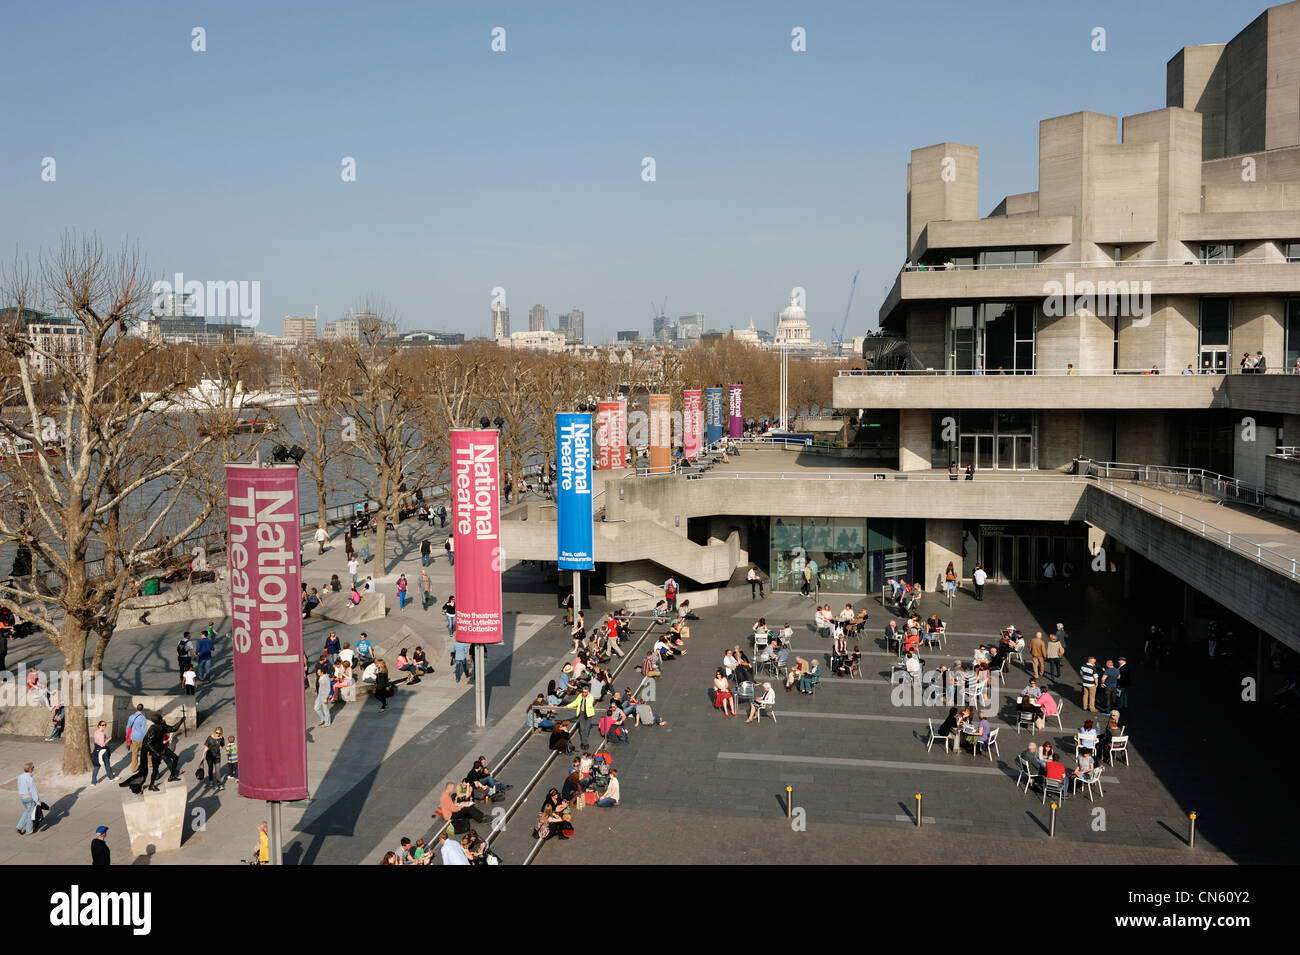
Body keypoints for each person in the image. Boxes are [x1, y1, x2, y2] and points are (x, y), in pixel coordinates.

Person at [16, 762, 39, 835]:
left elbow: (19, 786)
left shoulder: (20, 776)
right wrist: (38, 801)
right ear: (29, 769)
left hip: (23, 798)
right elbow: (33, 791)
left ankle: (19, 827)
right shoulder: (30, 779)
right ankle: (29, 831)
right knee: (30, 814)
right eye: (33, 767)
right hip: (29, 798)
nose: (33, 769)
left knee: (27, 812)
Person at [203, 727, 225, 791]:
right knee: (210, 769)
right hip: (209, 756)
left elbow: (222, 745)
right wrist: (203, 755)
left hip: (217, 756)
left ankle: (219, 784)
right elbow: (206, 747)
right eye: (216, 732)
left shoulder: (221, 738)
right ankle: (211, 780)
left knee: (218, 771)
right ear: (214, 731)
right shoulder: (210, 738)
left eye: (219, 733)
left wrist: (225, 751)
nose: (217, 734)